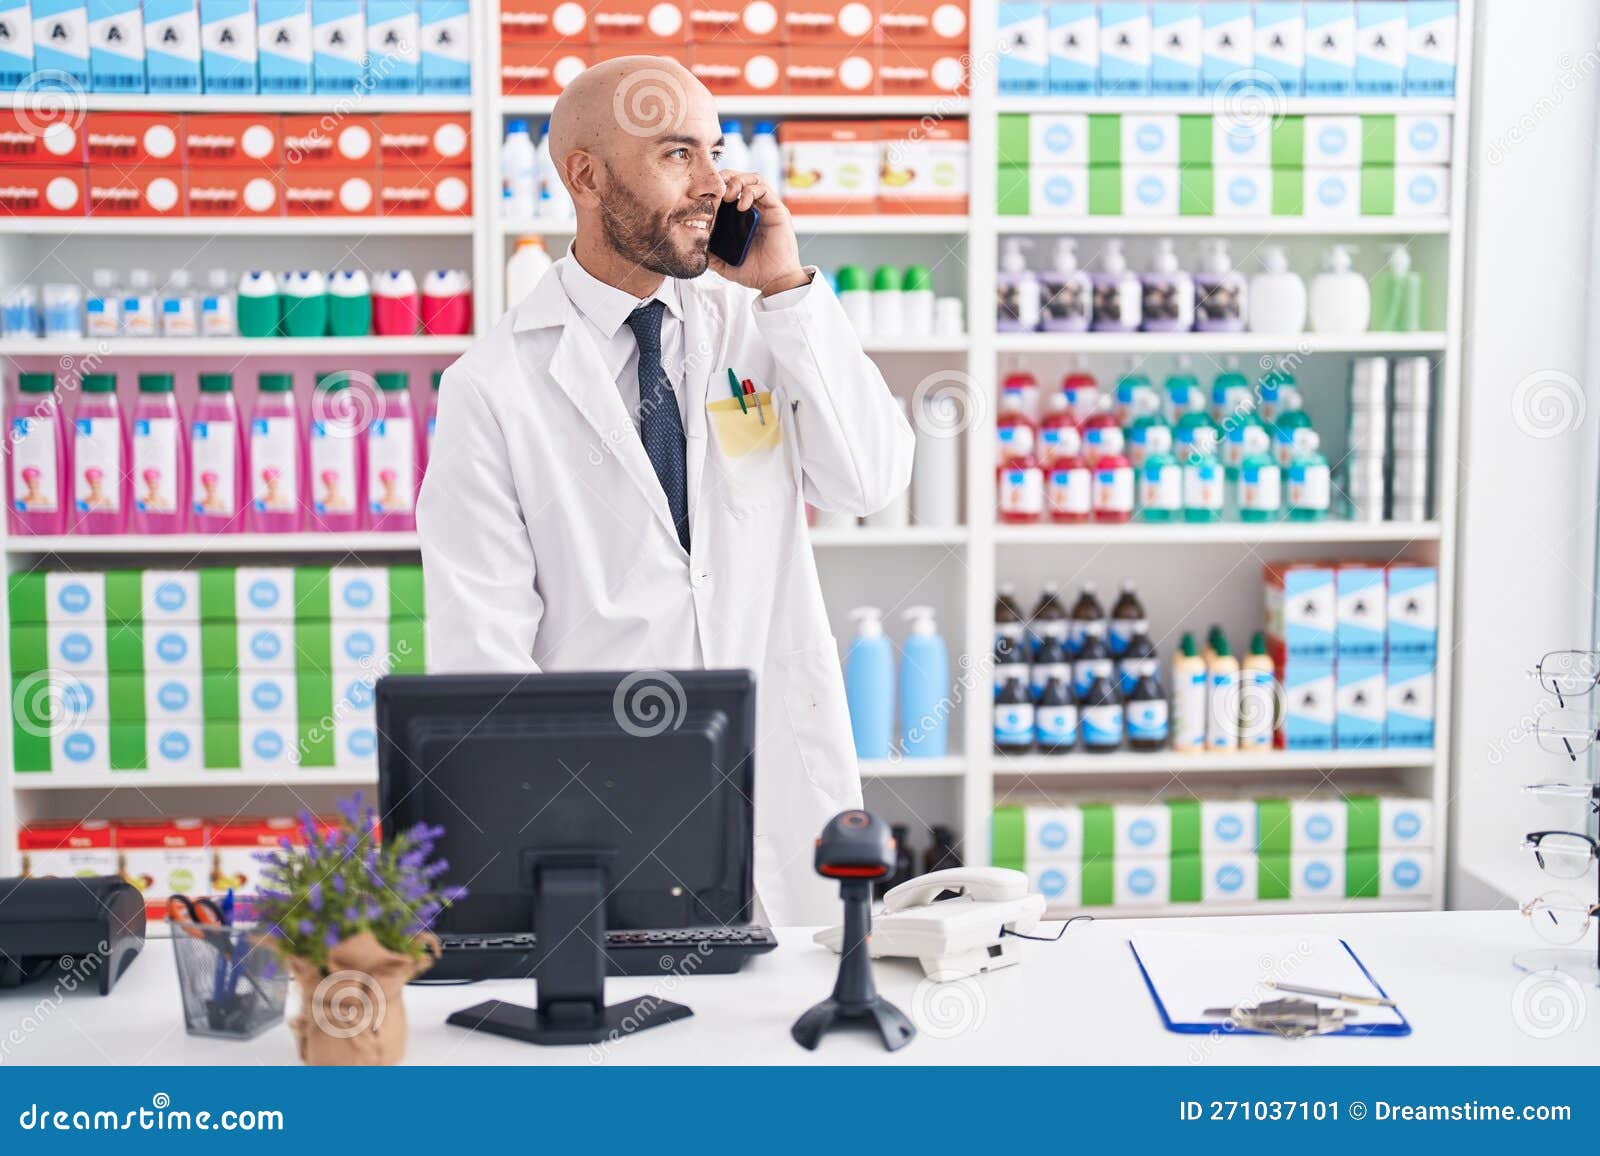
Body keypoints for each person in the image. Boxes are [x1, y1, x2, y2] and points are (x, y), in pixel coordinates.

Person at [416, 56, 916, 924]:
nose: (715, 185)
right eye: (678, 154)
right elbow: (481, 663)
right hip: (603, 820)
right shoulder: (492, 387)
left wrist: (790, 290)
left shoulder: (758, 325)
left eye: (716, 151)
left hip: (784, 796)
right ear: (586, 176)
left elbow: (868, 478)